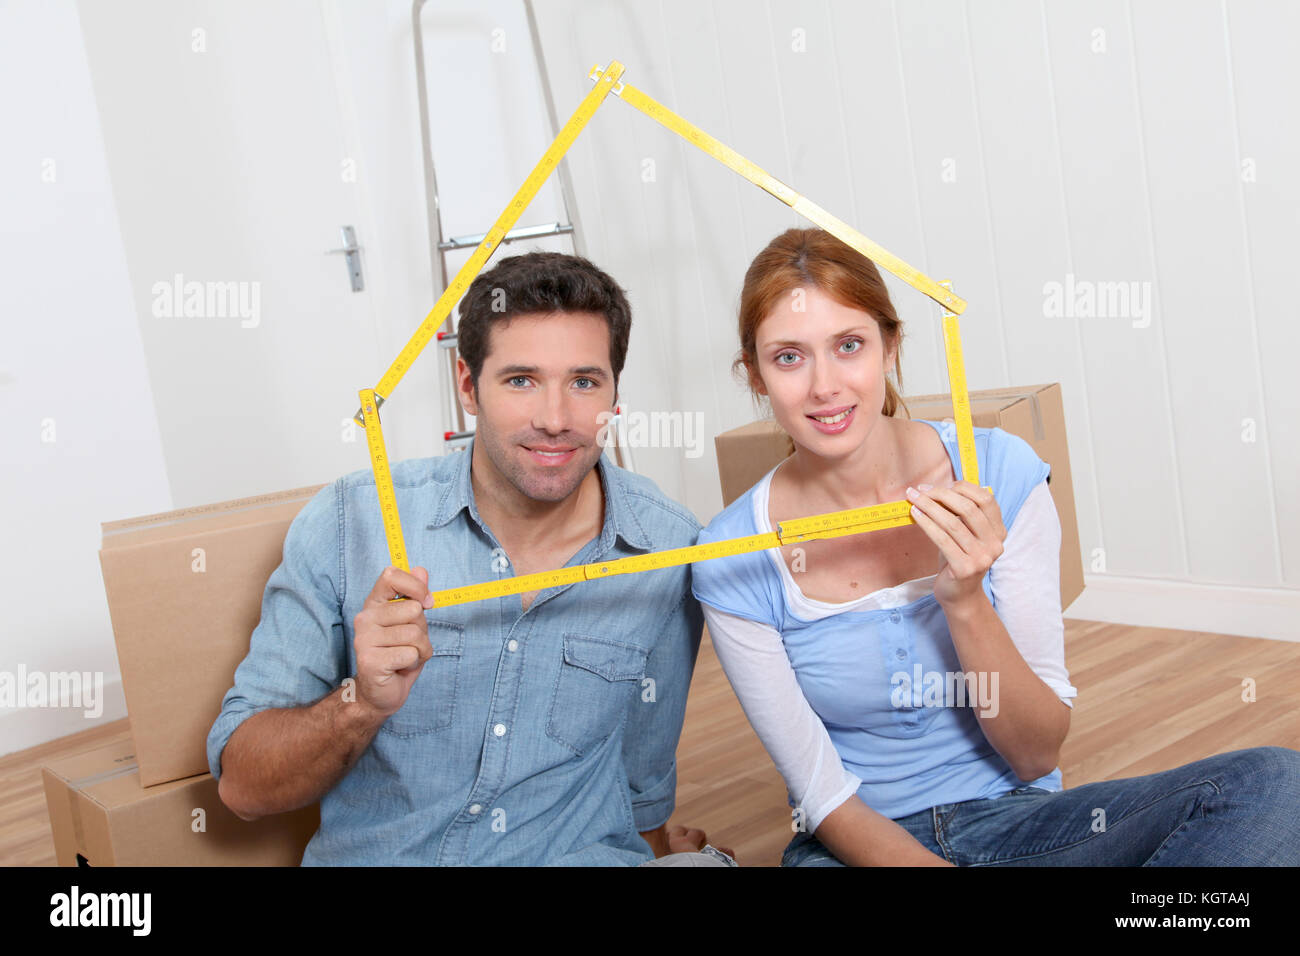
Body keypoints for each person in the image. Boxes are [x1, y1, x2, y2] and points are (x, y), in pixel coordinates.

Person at [691, 227, 1300, 866]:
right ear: (755, 375)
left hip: (1022, 826)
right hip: (857, 848)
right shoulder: (733, 553)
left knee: (1273, 788)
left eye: (849, 346)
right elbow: (821, 797)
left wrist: (964, 601)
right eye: (789, 357)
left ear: (891, 347)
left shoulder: (999, 471)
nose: (824, 386)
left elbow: (1037, 753)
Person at [209, 251, 734, 866]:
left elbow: (643, 785)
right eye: (520, 380)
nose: (556, 419)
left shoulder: (666, 549)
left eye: (584, 382)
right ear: (467, 387)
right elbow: (243, 788)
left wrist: (658, 852)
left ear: (615, 394)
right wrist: (362, 702)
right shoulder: (352, 522)